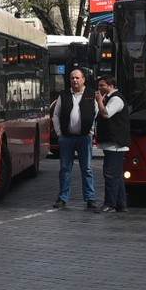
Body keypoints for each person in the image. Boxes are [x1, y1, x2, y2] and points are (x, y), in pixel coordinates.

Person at [50, 67, 97, 209]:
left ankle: (90, 198)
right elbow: (56, 115)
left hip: (85, 138)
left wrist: (91, 131)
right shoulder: (63, 95)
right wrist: (59, 133)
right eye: (72, 78)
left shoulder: (91, 95)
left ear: (84, 79)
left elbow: (97, 115)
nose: (75, 80)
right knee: (65, 169)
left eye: (77, 78)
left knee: (87, 169)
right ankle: (62, 198)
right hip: (67, 138)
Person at [94, 74, 130, 213]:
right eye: (99, 86)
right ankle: (121, 203)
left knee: (110, 174)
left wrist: (99, 102)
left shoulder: (116, 99)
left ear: (111, 86)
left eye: (102, 85)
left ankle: (110, 204)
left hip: (115, 144)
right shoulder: (110, 98)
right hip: (112, 143)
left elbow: (106, 114)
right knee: (117, 175)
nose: (100, 88)